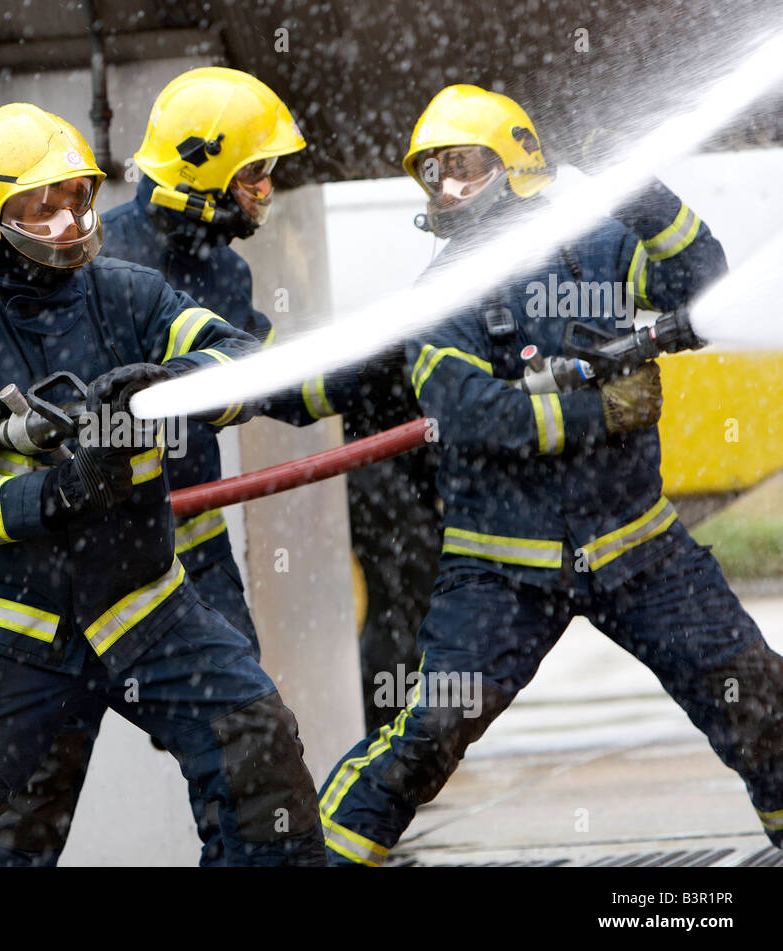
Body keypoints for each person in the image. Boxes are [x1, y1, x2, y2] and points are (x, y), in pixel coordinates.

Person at [0, 102, 324, 867]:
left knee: (258, 751)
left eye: (77, 200)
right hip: (12, 636)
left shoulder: (130, 295)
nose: (67, 222)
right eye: (42, 205)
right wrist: (62, 490)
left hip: (143, 608)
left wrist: (175, 380)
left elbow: (238, 358)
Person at [317, 84, 783, 865]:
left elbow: (702, 282)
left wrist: (639, 189)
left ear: (519, 163)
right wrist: (604, 413)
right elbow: (472, 414)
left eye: (464, 166)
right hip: (502, 571)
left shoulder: (602, 246)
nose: (448, 190)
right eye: (433, 175)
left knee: (759, 701)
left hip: (642, 553)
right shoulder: (444, 294)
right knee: (429, 734)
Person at [0, 66, 366, 867]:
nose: (265, 189)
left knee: (243, 748)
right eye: (253, 173)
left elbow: (260, 383)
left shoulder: (223, 269)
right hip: (81, 562)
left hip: (192, 552)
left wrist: (373, 365)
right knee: (35, 779)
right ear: (203, 171)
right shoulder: (103, 262)